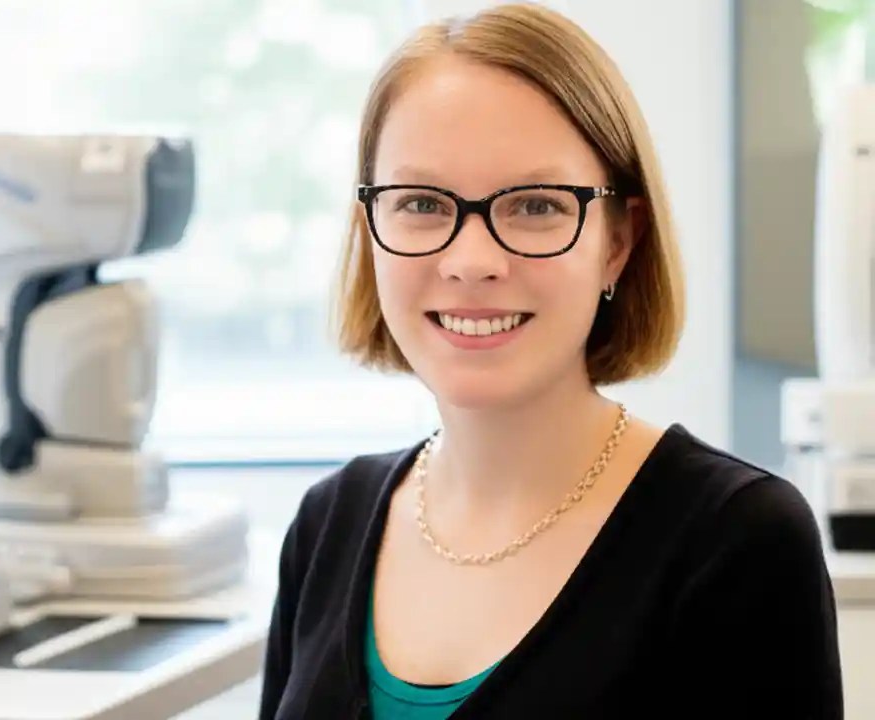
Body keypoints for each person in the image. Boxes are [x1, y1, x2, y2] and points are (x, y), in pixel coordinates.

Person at [257, 3, 843, 719]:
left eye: (535, 206)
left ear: (619, 242)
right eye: (419, 203)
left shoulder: (736, 542)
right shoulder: (329, 524)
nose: (471, 261)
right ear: (369, 231)